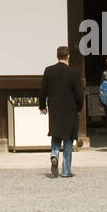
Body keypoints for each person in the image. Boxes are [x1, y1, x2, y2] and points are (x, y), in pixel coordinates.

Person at [38, 45, 85, 177]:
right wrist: (79, 107)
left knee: (56, 134)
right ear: (68, 56)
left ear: (57, 56)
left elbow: (42, 90)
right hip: (70, 109)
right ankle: (66, 171)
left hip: (55, 108)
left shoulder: (49, 71)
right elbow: (79, 94)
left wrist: (42, 106)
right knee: (69, 139)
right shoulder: (74, 73)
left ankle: (54, 154)